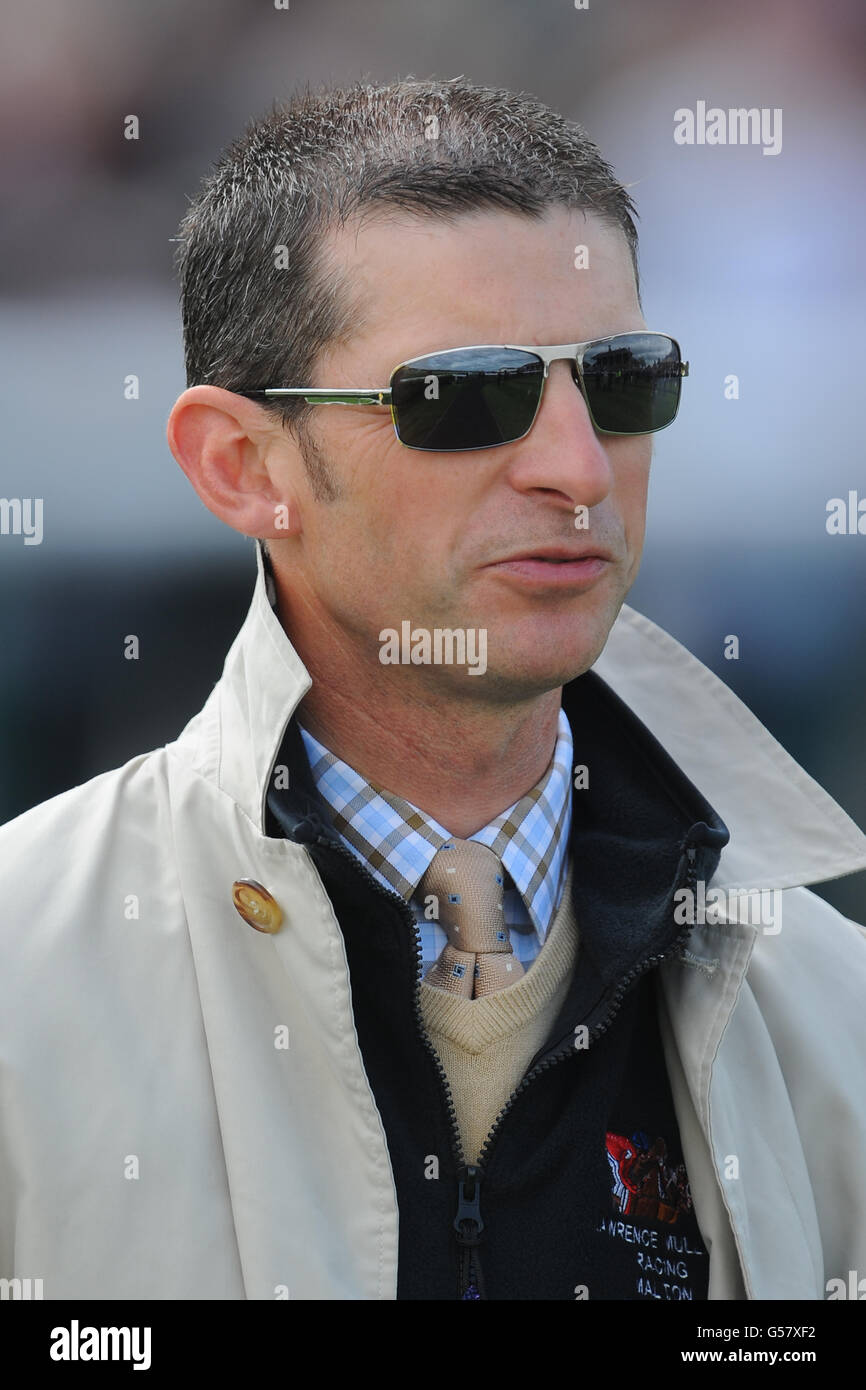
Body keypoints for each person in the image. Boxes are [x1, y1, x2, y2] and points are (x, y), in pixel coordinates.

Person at [1, 76, 865, 1303]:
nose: (577, 469)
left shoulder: (832, 1018)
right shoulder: (24, 975)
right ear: (240, 465)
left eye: (621, 381)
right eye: (464, 396)